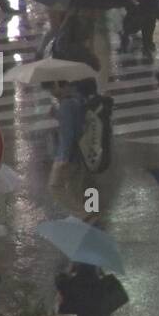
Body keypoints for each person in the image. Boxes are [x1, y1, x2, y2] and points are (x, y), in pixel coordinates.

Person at [45, 78, 92, 221]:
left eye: (53, 88)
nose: (52, 93)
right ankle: (83, 214)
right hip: (80, 151)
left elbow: (68, 133)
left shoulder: (66, 104)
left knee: (55, 185)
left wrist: (63, 158)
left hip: (68, 154)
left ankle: (82, 214)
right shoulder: (78, 98)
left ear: (60, 85)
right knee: (73, 185)